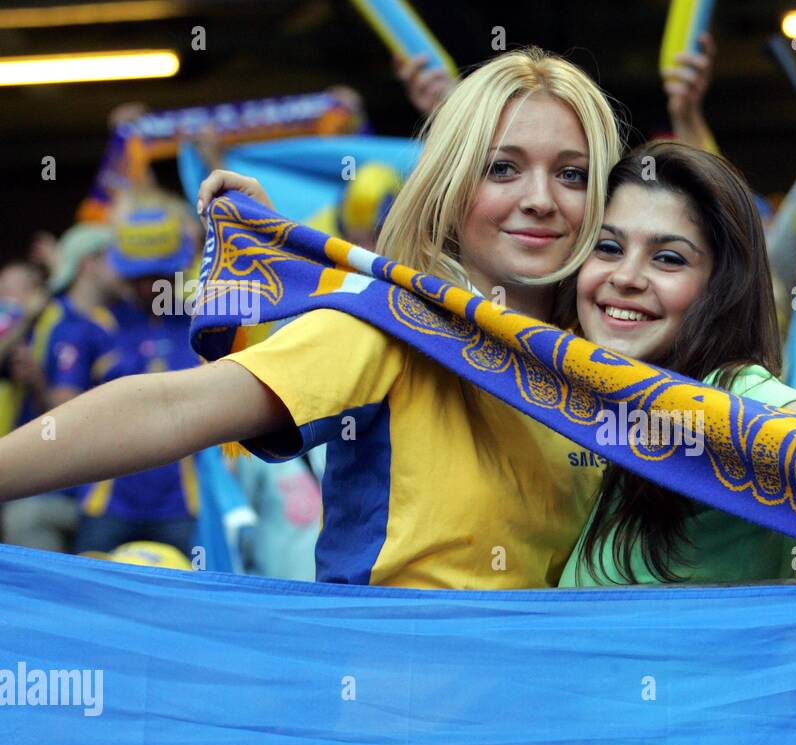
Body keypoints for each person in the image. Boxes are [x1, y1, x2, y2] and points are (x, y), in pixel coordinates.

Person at [0, 47, 623, 592]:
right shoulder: (394, 328)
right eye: (503, 167)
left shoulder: (620, 368)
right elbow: (171, 408)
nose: (541, 198)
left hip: (558, 721)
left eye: (572, 173)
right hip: (396, 720)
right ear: (448, 187)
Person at [558, 142, 796, 588]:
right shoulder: (605, 404)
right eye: (608, 247)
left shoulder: (735, 391)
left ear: (720, 288)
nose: (625, 277)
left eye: (668, 258)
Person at [74, 192, 204, 555]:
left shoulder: (201, 324)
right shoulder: (97, 327)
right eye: (139, 277)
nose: (149, 287)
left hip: (183, 504)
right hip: (108, 502)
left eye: (159, 275)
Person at [1, 224, 120, 552]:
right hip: (40, 495)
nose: (123, 264)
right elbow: (64, 407)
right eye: (113, 256)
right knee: (41, 600)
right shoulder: (46, 317)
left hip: (97, 501)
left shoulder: (115, 318)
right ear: (88, 263)